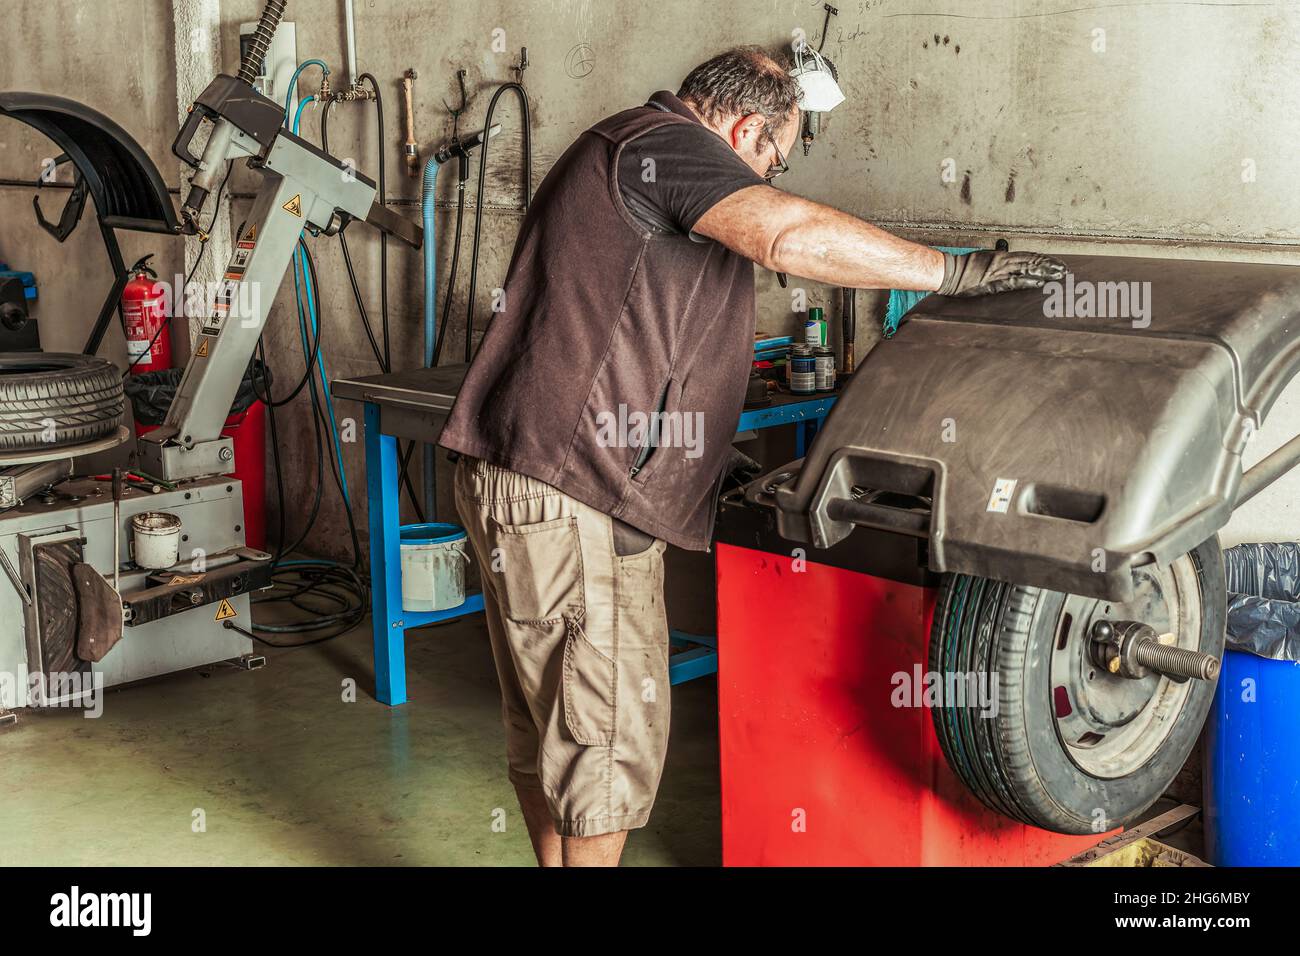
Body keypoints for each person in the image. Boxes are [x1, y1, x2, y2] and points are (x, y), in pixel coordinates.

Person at [439, 45, 1066, 866]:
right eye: (773, 158)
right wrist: (957, 272)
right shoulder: (662, 144)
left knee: (560, 737)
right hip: (572, 496)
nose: (768, 178)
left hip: (534, 487)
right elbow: (787, 234)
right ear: (741, 128)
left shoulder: (625, 151)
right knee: (607, 751)